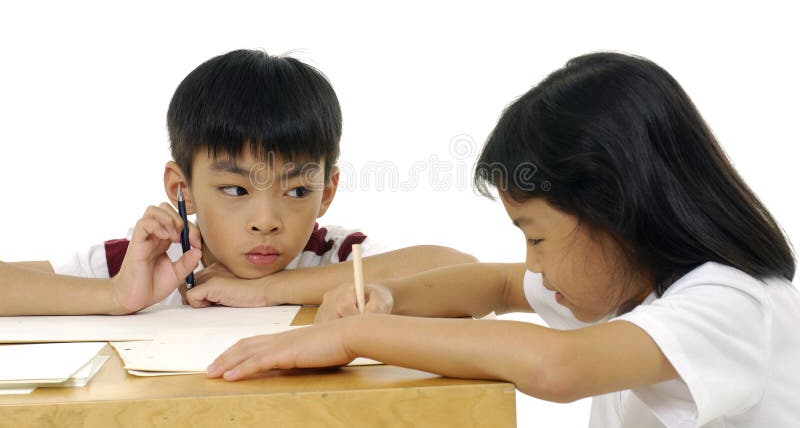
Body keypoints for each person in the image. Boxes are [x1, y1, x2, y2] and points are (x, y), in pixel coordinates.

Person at [208, 52, 799, 427]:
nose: (532, 263)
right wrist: (390, 299)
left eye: (536, 238)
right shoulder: (632, 282)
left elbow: (558, 368)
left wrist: (357, 334)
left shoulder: (733, 302)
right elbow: (495, 282)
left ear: (617, 214)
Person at [1, 49, 474, 316]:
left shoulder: (336, 256)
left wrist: (271, 290)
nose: (266, 222)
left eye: (297, 191)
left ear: (327, 192)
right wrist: (113, 296)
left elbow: (463, 271)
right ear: (180, 188)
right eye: (235, 190)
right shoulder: (147, 264)